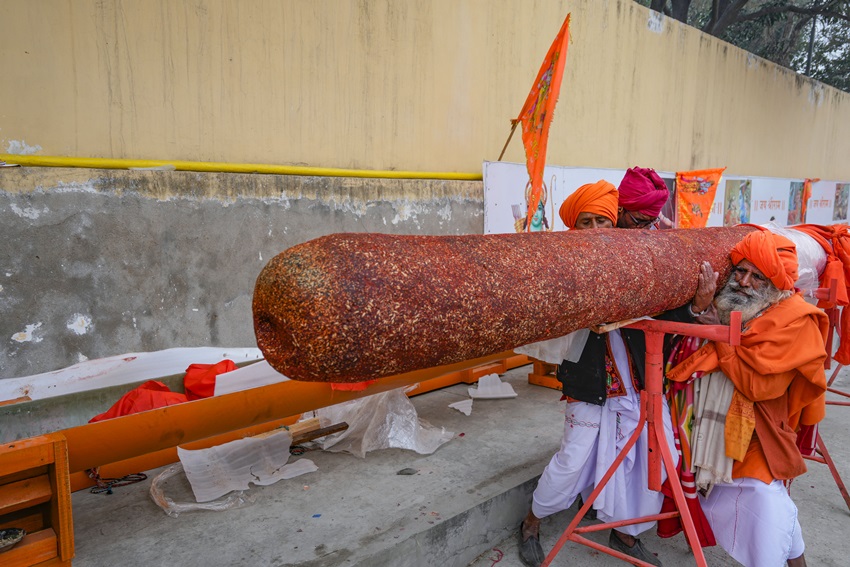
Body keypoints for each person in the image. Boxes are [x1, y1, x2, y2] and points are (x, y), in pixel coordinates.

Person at [518, 175, 716, 567]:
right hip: (588, 381)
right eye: (585, 223)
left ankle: (626, 533)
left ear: (617, 220)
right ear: (574, 227)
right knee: (573, 458)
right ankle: (531, 523)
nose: (594, 232)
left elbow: (665, 311)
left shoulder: (647, 254)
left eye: (602, 222)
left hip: (639, 380)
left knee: (652, 457)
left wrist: (697, 304)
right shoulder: (565, 263)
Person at [668, 229, 828, 567]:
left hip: (760, 432)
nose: (743, 281)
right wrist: (703, 315)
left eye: (757, 276)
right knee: (769, 505)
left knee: (766, 502)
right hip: (717, 428)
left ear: (776, 284)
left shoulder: (795, 322)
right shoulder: (733, 307)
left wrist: (720, 337)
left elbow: (757, 387)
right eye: (740, 271)